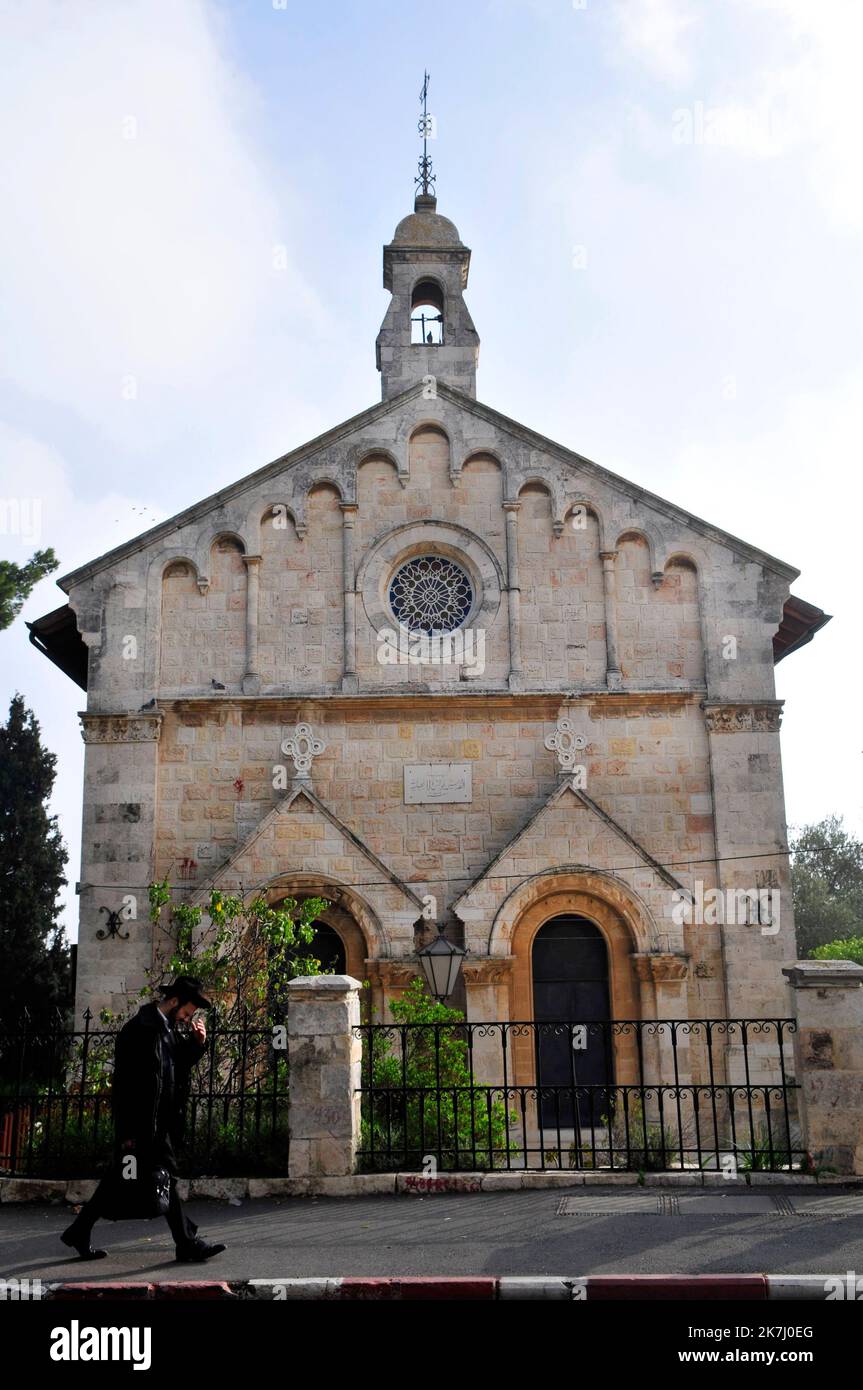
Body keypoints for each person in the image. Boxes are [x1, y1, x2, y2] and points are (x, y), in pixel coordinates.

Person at [60, 976, 227, 1264]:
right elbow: (124, 1086)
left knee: (128, 1179)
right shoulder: (138, 1030)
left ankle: (80, 1230)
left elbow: (176, 1065)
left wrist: (198, 1044)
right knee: (156, 1179)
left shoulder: (166, 1031)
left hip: (158, 1124)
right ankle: (187, 1244)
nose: (187, 1019)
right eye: (186, 1012)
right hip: (139, 1125)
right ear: (174, 1002)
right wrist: (127, 1130)